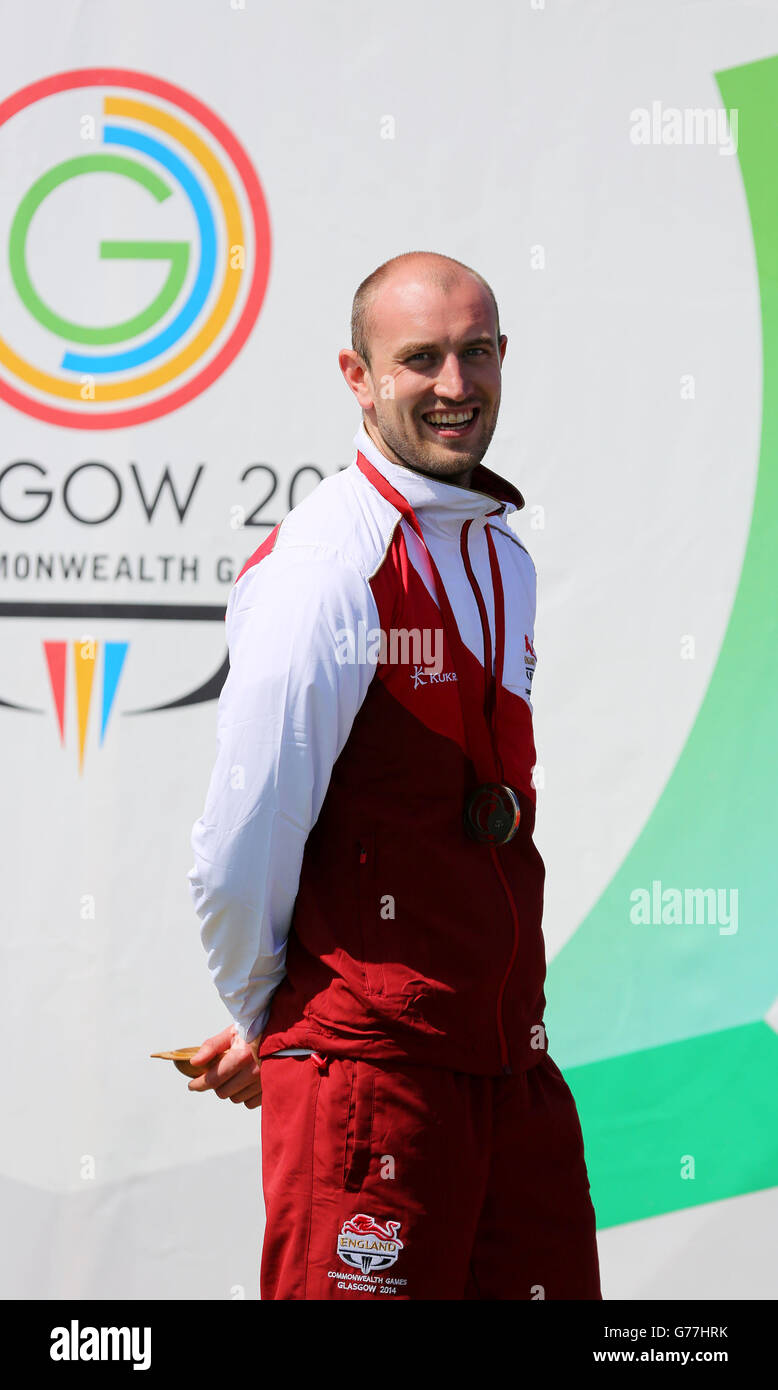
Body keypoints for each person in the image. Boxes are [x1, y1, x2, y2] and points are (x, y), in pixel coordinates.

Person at [185, 250, 602, 1301]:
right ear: (357, 375)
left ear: (504, 358)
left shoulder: (503, 550)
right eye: (420, 359)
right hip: (374, 1074)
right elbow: (245, 838)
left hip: (509, 1059)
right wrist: (271, 1017)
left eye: (474, 353)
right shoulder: (327, 566)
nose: (454, 386)